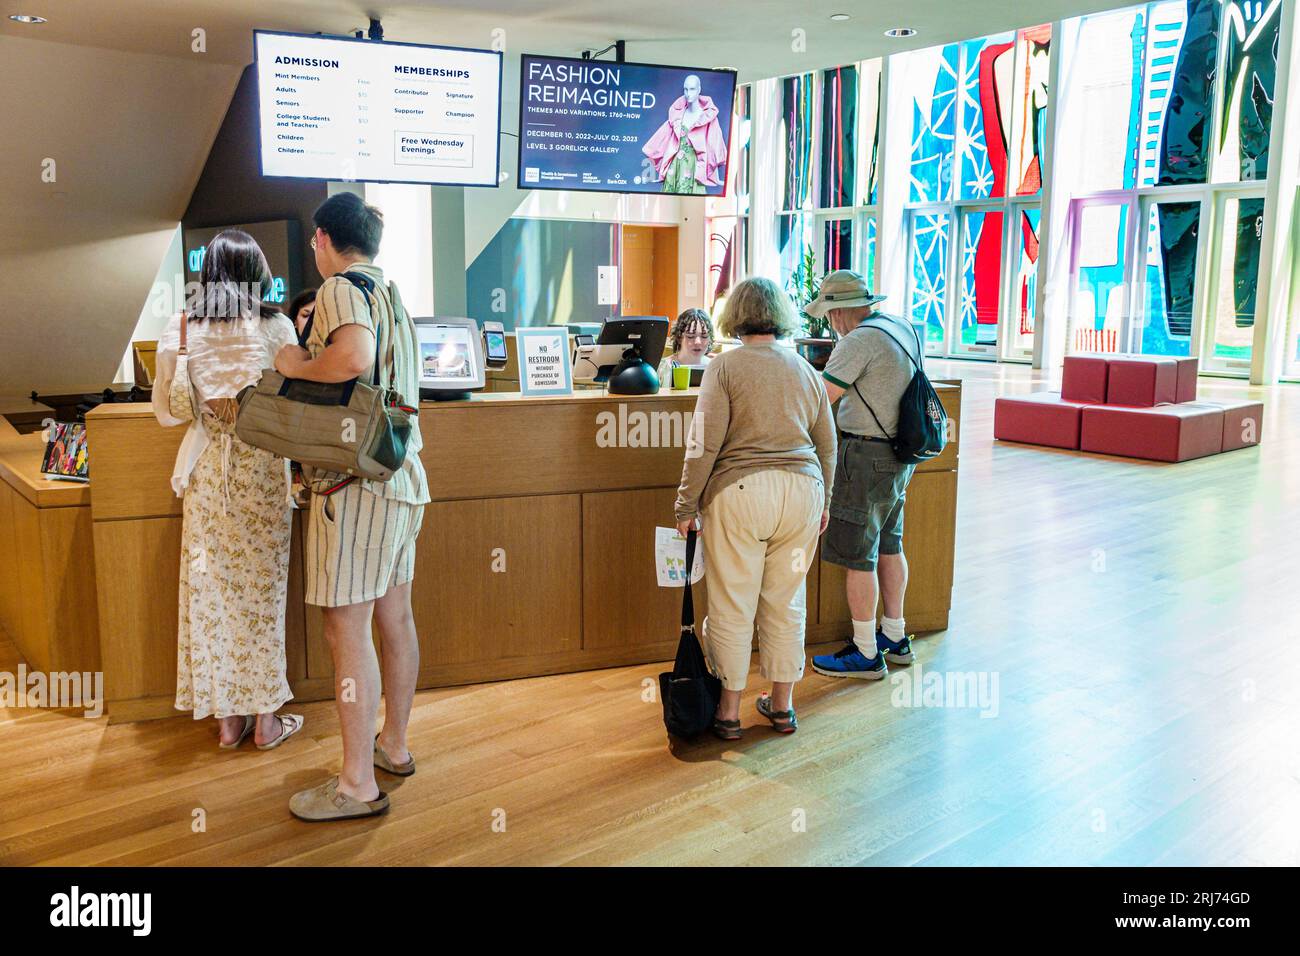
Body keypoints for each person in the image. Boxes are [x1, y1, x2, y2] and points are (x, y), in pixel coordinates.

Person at [275, 192, 430, 822]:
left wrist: (296, 360)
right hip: (401, 475)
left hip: (354, 486)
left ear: (321, 239)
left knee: (346, 630)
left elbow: (354, 357)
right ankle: (392, 743)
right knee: (394, 617)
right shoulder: (392, 294)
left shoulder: (341, 287)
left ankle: (357, 785)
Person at [151, 229, 304, 750]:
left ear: (208, 273)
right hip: (261, 474)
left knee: (212, 596)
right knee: (262, 595)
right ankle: (267, 722)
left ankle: (226, 722)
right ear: (256, 274)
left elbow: (167, 414)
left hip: (206, 476)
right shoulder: (275, 327)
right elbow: (295, 401)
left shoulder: (182, 327)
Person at [674, 277, 836, 738]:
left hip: (741, 494)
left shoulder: (725, 368)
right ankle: (782, 706)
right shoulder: (805, 370)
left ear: (734, 316)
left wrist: (686, 505)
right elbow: (827, 445)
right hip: (802, 493)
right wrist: (824, 499)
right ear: (780, 315)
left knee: (732, 602)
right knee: (786, 602)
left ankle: (728, 712)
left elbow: (703, 445)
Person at [805, 270, 921, 680]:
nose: (829, 323)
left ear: (838, 312)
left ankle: (866, 652)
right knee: (890, 544)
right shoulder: (899, 325)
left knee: (859, 555)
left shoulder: (858, 340)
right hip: (901, 454)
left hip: (866, 455)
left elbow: (821, 400)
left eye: (830, 314)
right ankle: (895, 635)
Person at [642, 74, 728, 194]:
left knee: (693, 203)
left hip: (694, 167)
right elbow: (662, 141)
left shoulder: (708, 117)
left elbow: (714, 146)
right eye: (686, 89)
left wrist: (716, 177)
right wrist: (659, 170)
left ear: (699, 89)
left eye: (692, 89)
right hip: (674, 167)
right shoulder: (676, 114)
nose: (688, 93)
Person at [657, 308, 715, 383]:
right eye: (690, 336)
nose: (698, 342)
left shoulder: (714, 368)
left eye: (704, 336)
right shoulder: (663, 368)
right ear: (679, 337)